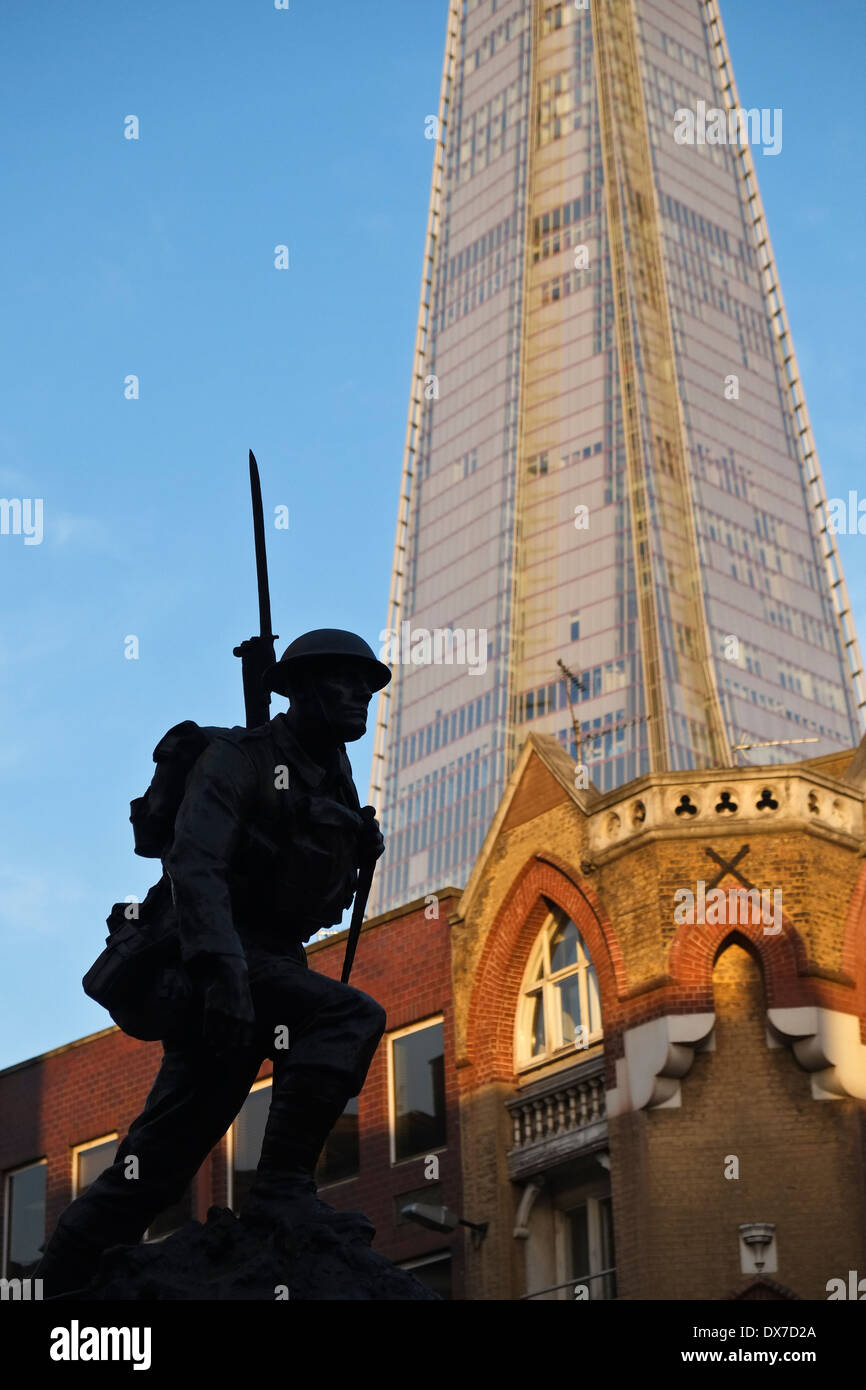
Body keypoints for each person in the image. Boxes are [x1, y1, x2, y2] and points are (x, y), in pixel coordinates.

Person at [36, 629, 391, 1296]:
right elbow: (195, 864)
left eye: (366, 686)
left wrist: (356, 845)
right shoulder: (239, 757)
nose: (358, 696)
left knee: (159, 1161)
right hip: (216, 958)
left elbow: (314, 894)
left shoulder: (336, 777)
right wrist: (224, 972)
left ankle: (59, 1282)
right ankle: (282, 1190)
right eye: (342, 682)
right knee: (348, 1015)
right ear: (299, 690)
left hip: (273, 962)